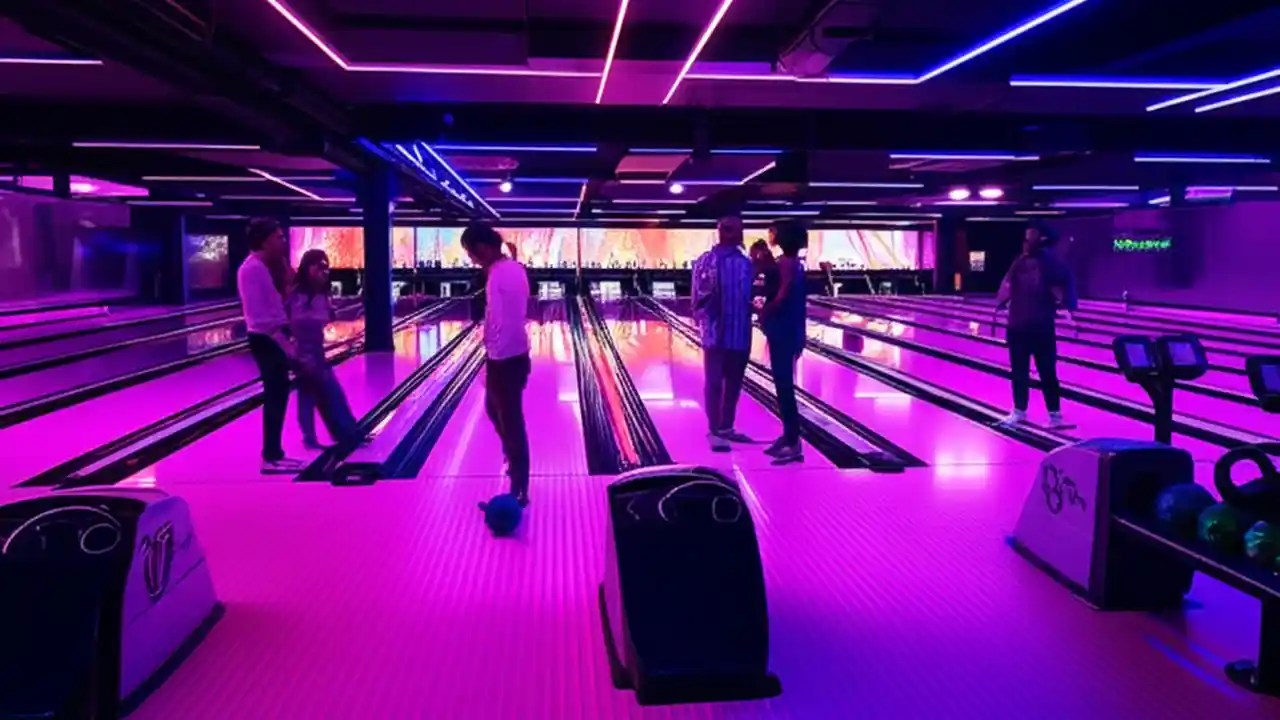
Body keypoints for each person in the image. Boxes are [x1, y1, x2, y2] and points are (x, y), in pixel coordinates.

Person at [462, 223, 532, 506]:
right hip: (517, 353)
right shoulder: (514, 268)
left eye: (471, 252)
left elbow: (497, 321)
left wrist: (491, 354)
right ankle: (513, 459)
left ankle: (519, 488)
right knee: (495, 410)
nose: (471, 259)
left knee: (511, 421)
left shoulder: (496, 276)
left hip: (504, 359)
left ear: (482, 247)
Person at [995, 224, 1078, 429]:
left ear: (1041, 239)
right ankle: (1021, 411)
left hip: (1039, 326)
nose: (1026, 242)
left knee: (1047, 372)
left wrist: (1066, 307)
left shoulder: (1051, 263)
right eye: (1026, 237)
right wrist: (1000, 305)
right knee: (1022, 372)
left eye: (1030, 237)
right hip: (1019, 326)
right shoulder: (1019, 262)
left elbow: (1064, 287)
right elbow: (1006, 288)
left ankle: (1054, 415)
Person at [238, 217, 302, 473]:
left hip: (271, 337)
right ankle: (271, 456)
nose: (283, 241)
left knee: (279, 394)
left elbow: (275, 306)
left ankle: (275, 453)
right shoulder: (252, 270)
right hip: (266, 339)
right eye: (279, 237)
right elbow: (261, 317)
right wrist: (285, 344)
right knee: (275, 394)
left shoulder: (262, 267)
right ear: (265, 241)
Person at [692, 214, 755, 452]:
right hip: (715, 335)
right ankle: (715, 430)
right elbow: (699, 301)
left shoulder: (746, 262)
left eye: (736, 229)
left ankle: (727, 427)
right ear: (721, 231)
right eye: (728, 229)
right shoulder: (706, 261)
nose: (733, 233)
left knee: (735, 382)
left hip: (740, 332)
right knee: (715, 383)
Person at [289, 249, 361, 449]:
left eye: (326, 267)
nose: (324, 271)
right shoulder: (299, 293)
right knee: (313, 395)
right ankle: (322, 437)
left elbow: (324, 318)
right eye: (319, 267)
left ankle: (348, 433)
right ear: (307, 267)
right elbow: (296, 321)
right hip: (304, 352)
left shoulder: (319, 292)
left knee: (325, 394)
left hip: (316, 351)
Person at [758, 221, 808, 463]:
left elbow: (783, 292)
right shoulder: (793, 262)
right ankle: (788, 436)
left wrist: (766, 310)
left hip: (785, 330)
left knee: (784, 386)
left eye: (774, 230)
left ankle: (793, 441)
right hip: (789, 329)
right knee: (782, 385)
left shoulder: (787, 263)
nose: (771, 233)